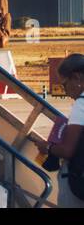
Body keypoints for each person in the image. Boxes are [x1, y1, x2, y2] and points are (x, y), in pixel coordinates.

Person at [29, 53, 84, 207]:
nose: (65, 92)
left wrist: (47, 147)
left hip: (77, 182)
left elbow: (67, 151)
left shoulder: (81, 104)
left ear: (77, 78)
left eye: (64, 84)